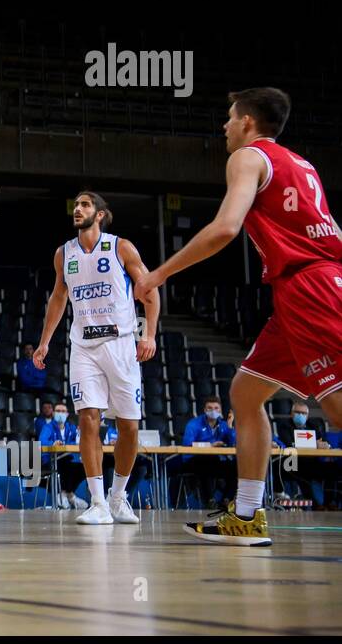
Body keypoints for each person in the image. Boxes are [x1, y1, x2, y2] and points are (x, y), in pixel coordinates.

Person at [135, 88, 342, 546]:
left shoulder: (248, 157)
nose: (224, 127)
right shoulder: (302, 164)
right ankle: (247, 514)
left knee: (336, 408)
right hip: (301, 289)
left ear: (248, 121)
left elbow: (226, 228)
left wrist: (157, 276)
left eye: (229, 118)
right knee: (246, 394)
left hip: (310, 286)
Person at [33, 191, 160, 526]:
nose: (77, 209)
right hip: (84, 347)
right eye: (75, 204)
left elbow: (149, 290)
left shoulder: (121, 247)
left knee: (129, 427)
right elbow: (59, 297)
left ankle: (119, 496)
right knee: (88, 419)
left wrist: (149, 335)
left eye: (85, 205)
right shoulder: (64, 254)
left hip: (120, 344)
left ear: (101, 214)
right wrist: (45, 342)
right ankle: (98, 502)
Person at [181, 397, 238, 508]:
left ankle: (226, 499)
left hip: (216, 461)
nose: (213, 411)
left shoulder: (223, 425)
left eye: (216, 408)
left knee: (235, 466)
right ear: (204, 410)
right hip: (193, 460)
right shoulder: (194, 424)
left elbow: (232, 444)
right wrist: (210, 446)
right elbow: (187, 445)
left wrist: (230, 425)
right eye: (210, 408)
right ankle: (209, 500)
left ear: (220, 410)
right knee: (208, 460)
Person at [39, 404, 87, 509]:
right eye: (58, 411)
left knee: (84, 467)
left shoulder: (71, 427)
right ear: (54, 413)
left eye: (63, 411)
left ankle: (67, 493)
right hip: (50, 461)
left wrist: (80, 434)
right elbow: (42, 441)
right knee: (67, 463)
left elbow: (77, 442)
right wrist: (53, 443)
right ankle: (68, 495)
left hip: (67, 459)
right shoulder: (48, 427)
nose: (60, 413)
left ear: (67, 414)